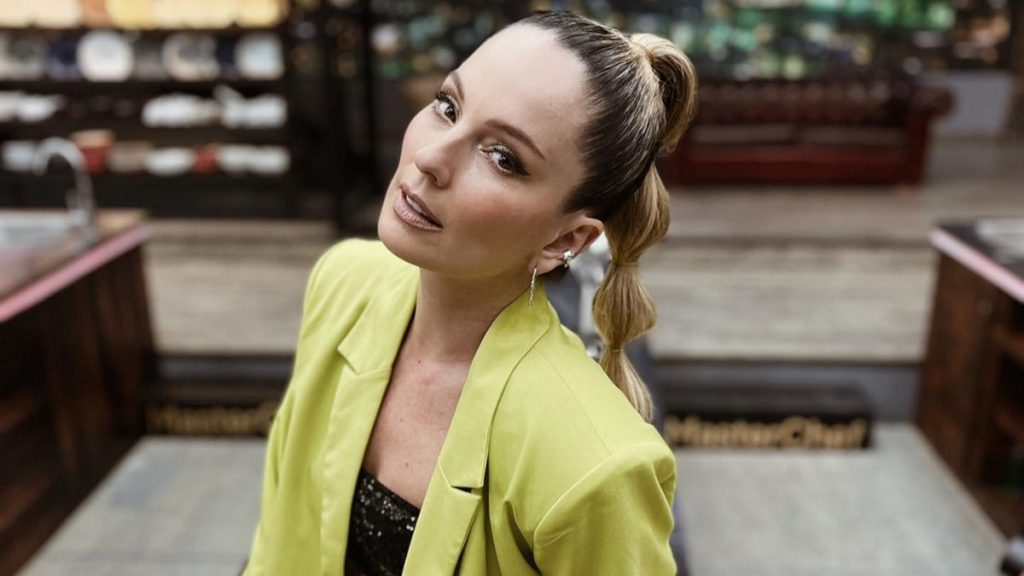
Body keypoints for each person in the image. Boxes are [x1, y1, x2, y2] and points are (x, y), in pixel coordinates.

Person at [243, 9, 698, 576]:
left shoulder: (596, 465)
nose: (430, 158)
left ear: (564, 240)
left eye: (503, 158)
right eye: (447, 106)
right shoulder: (344, 282)